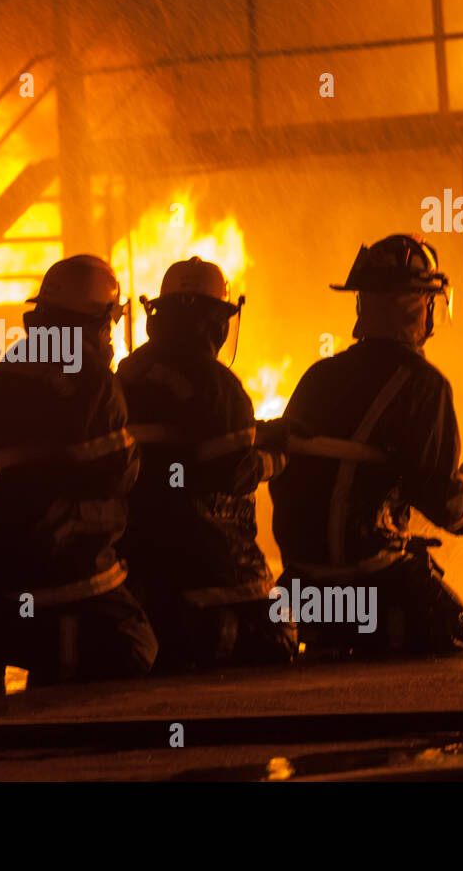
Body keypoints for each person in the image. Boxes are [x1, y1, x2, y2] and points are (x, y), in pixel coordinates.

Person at [268, 234, 463, 655]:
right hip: (369, 582)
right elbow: (441, 500)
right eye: (428, 300)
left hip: (301, 589)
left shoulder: (319, 376)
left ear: (363, 304)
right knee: (455, 629)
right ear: (416, 304)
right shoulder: (425, 386)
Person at [0, 255, 159, 692]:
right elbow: (117, 475)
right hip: (73, 573)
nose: (112, 334)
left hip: (2, 575)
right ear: (96, 321)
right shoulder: (95, 380)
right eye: (110, 321)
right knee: (137, 647)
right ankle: (54, 642)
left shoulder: (5, 372)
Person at [117, 257, 295, 671]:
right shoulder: (219, 384)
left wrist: (262, 430)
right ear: (217, 322)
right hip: (214, 578)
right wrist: (278, 459)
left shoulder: (128, 372)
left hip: (141, 578)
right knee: (280, 640)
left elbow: (179, 436)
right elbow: (233, 472)